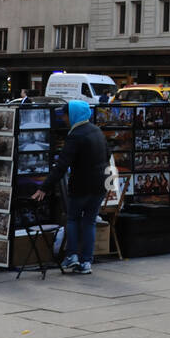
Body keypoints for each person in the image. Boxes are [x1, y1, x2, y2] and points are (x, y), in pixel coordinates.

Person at [33, 99, 109, 273]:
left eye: (65, 115)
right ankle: (86, 263)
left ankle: (72, 256)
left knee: (73, 219)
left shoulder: (75, 135)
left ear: (73, 115)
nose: (64, 119)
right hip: (100, 186)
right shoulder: (97, 131)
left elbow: (62, 165)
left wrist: (44, 187)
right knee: (89, 222)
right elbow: (107, 155)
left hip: (81, 186)